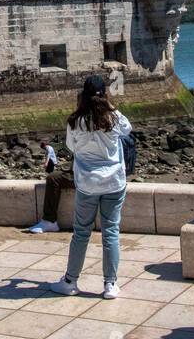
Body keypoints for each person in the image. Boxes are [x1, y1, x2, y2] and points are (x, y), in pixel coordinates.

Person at [49, 76, 132, 300]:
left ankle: (70, 281)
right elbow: (128, 129)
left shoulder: (75, 121)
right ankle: (110, 284)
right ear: (104, 94)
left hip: (87, 183)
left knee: (81, 233)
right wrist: (109, 104)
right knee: (111, 232)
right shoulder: (113, 117)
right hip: (114, 182)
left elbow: (70, 146)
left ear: (83, 95)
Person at [27, 140, 72, 234]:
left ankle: (49, 220)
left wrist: (46, 163)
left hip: (86, 172)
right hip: (101, 171)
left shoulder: (81, 128)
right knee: (53, 176)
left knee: (53, 178)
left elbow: (71, 145)